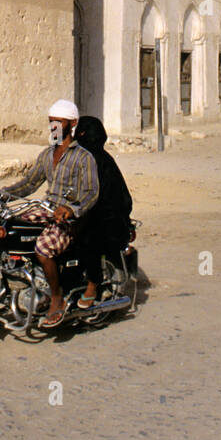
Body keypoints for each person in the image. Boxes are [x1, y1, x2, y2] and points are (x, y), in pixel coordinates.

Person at [0, 99, 99, 329]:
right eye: (50, 121)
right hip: (46, 209)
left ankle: (56, 298)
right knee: (10, 228)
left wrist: (70, 209)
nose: (53, 125)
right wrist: (2, 194)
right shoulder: (47, 154)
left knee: (43, 248)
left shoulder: (84, 157)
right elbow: (30, 183)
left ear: (72, 123)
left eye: (58, 121)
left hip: (71, 219)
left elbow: (91, 193)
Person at [73, 116, 133, 310]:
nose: (78, 135)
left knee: (87, 238)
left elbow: (101, 196)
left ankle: (92, 285)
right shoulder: (81, 157)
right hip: (91, 212)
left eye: (81, 131)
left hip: (109, 219)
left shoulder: (96, 160)